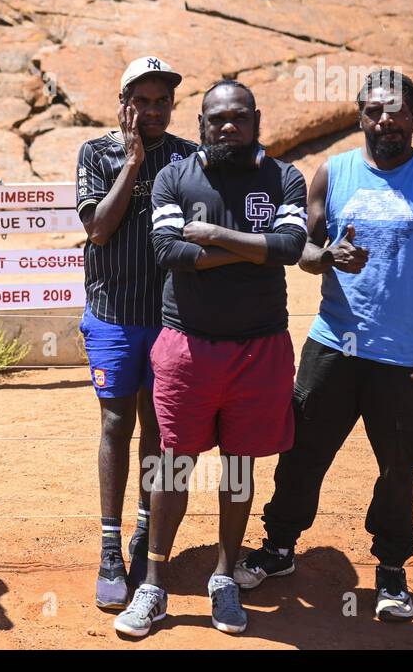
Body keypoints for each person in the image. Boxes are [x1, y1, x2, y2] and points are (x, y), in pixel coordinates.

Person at [236, 69, 413, 623]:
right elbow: (305, 250)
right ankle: (279, 548)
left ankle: (391, 568)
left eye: (398, 110)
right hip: (333, 347)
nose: (386, 119)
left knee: (398, 466)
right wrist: (328, 259)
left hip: (405, 358)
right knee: (302, 454)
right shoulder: (332, 172)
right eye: (374, 109)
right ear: (360, 114)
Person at [113, 79, 308, 638]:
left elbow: (292, 249)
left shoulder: (283, 177)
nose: (228, 126)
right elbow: (170, 251)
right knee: (172, 464)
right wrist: (254, 249)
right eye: (217, 118)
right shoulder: (175, 176)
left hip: (260, 348)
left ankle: (224, 577)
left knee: (241, 467)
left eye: (239, 117)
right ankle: (153, 585)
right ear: (199, 123)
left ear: (256, 120)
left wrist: (218, 236)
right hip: (187, 346)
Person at [75, 56, 196, 610]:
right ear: (123, 101)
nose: (151, 110)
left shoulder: (189, 158)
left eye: (161, 101)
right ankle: (108, 546)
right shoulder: (97, 153)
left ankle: (145, 532)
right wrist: (131, 162)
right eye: (141, 100)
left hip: (170, 315)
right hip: (114, 312)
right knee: (116, 421)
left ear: (173, 105)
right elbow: (99, 229)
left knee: (159, 426)